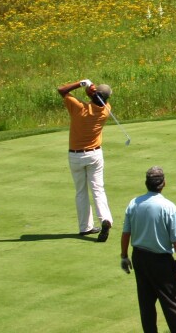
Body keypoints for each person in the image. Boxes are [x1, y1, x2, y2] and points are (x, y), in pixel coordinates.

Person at [121, 166, 176, 333]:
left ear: (146, 183)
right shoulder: (168, 207)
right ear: (164, 183)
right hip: (161, 261)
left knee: (146, 304)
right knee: (173, 303)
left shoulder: (134, 203)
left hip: (139, 257)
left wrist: (124, 256)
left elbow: (126, 234)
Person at [57, 78, 113, 241]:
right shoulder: (106, 110)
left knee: (81, 192)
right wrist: (92, 90)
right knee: (98, 189)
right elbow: (95, 97)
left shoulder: (78, 107)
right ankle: (105, 219)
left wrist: (82, 84)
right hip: (94, 155)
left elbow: (62, 90)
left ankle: (85, 227)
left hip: (75, 156)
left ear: (94, 95)